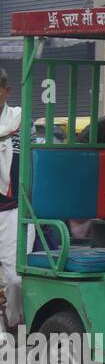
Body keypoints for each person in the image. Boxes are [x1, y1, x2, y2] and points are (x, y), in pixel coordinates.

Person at [0, 71, 22, 336]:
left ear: (6, 90)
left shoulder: (19, 122)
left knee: (16, 279)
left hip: (12, 209)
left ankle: (13, 318)